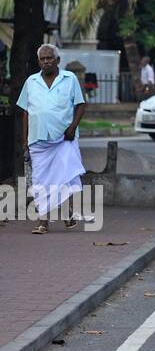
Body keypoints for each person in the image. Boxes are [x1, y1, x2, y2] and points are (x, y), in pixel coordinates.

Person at [17, 44, 90, 233]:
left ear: (57, 60)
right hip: (38, 139)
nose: (46, 61)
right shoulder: (31, 81)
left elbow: (81, 104)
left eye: (49, 58)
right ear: (39, 61)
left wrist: (73, 127)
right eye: (42, 58)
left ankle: (66, 213)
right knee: (40, 181)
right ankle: (43, 223)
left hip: (64, 138)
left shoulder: (70, 78)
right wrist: (24, 140)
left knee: (63, 178)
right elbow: (25, 112)